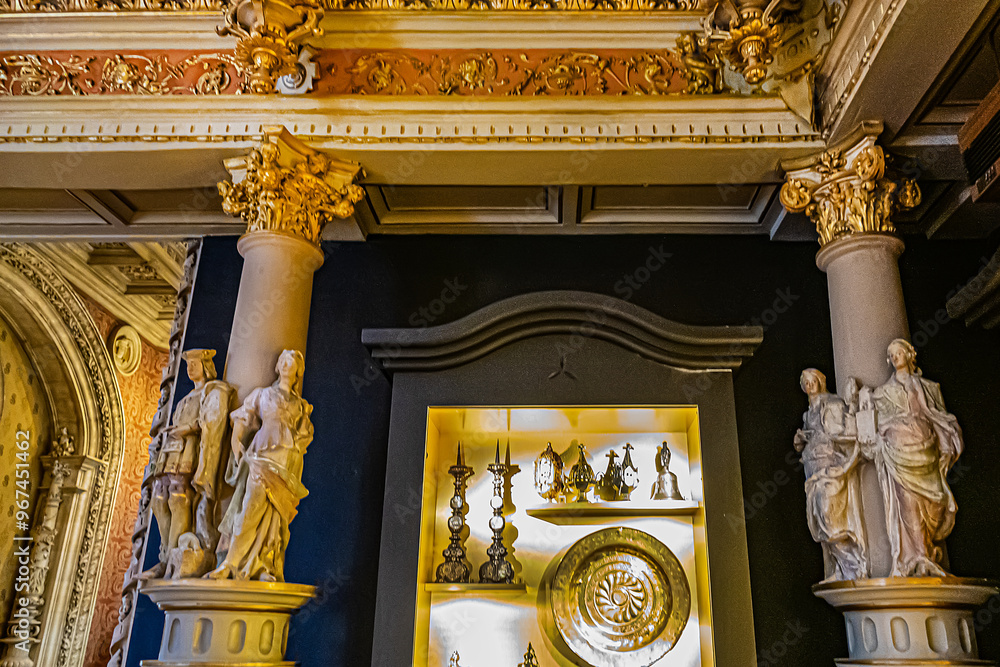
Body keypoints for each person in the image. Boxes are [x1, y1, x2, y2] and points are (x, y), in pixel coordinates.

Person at [208, 349, 314, 582]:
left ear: (298, 371)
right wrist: (236, 440)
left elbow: (304, 437)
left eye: (290, 363)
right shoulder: (263, 394)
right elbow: (243, 416)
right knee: (249, 509)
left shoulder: (300, 406)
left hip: (286, 464)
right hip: (261, 456)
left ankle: (266, 565)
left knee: (276, 518)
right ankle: (230, 563)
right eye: (282, 361)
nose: (285, 365)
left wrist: (295, 450)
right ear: (277, 366)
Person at [868, 339, 962, 577]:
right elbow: (877, 425)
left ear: (910, 355)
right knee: (907, 502)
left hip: (927, 452)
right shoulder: (882, 393)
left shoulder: (929, 388)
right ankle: (917, 556)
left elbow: (940, 418)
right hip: (899, 453)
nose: (895, 357)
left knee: (937, 501)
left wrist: (947, 446)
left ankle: (928, 550)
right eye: (892, 355)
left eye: (899, 352)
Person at [144, 349, 233, 578]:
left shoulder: (211, 392)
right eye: (188, 364)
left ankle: (171, 558)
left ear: (206, 367)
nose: (190, 368)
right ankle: (164, 556)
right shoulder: (185, 398)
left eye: (195, 364)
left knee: (178, 498)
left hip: (190, 449)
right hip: (172, 451)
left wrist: (188, 428)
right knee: (158, 499)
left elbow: (210, 421)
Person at [795, 368, 867, 581]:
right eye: (806, 383)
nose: (810, 386)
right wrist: (801, 440)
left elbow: (842, 432)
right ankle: (840, 568)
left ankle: (853, 564)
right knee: (818, 520)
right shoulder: (808, 413)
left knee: (829, 515)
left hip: (832, 468)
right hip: (813, 470)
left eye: (813, 381)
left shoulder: (832, 403)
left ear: (820, 381)